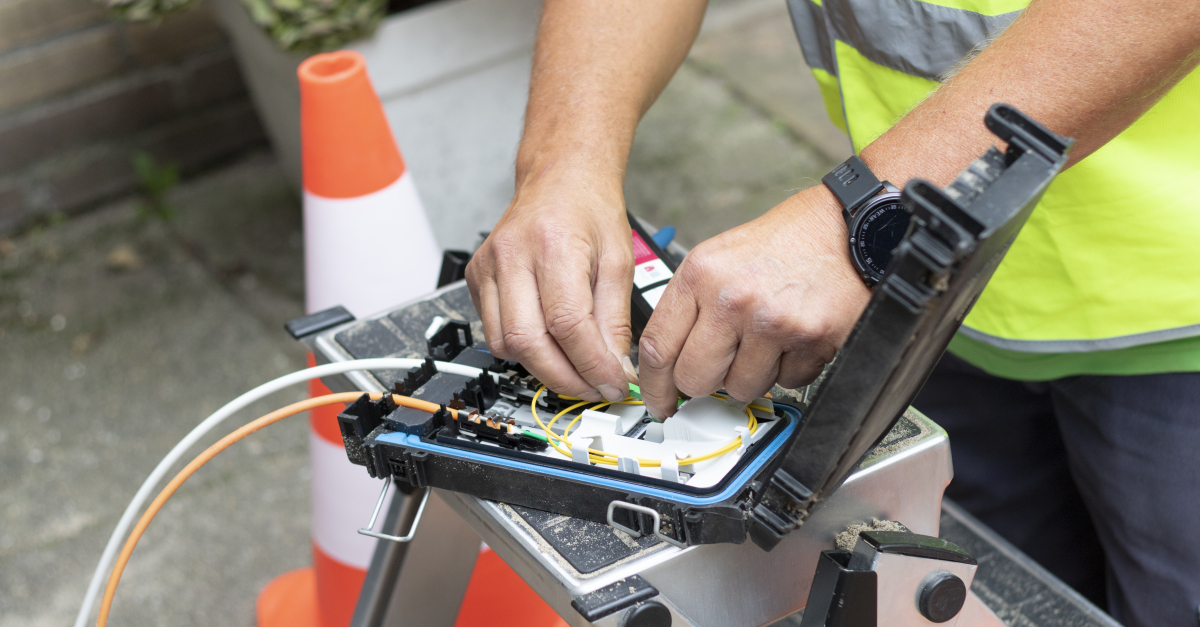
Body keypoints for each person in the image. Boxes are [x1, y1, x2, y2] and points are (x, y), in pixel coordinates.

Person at [463, 1, 1200, 624]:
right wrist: (562, 164)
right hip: (937, 298)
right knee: (996, 591)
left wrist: (863, 216)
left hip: (1174, 311)